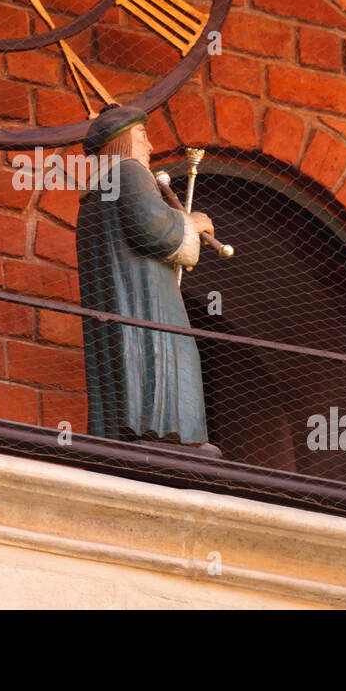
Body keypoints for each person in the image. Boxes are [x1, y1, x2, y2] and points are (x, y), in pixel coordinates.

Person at [75, 104, 220, 456]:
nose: (150, 145)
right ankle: (167, 433)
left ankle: (130, 429)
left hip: (123, 295)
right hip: (146, 297)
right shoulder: (130, 173)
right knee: (173, 351)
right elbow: (153, 229)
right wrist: (192, 223)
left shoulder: (97, 190)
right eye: (142, 134)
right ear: (122, 140)